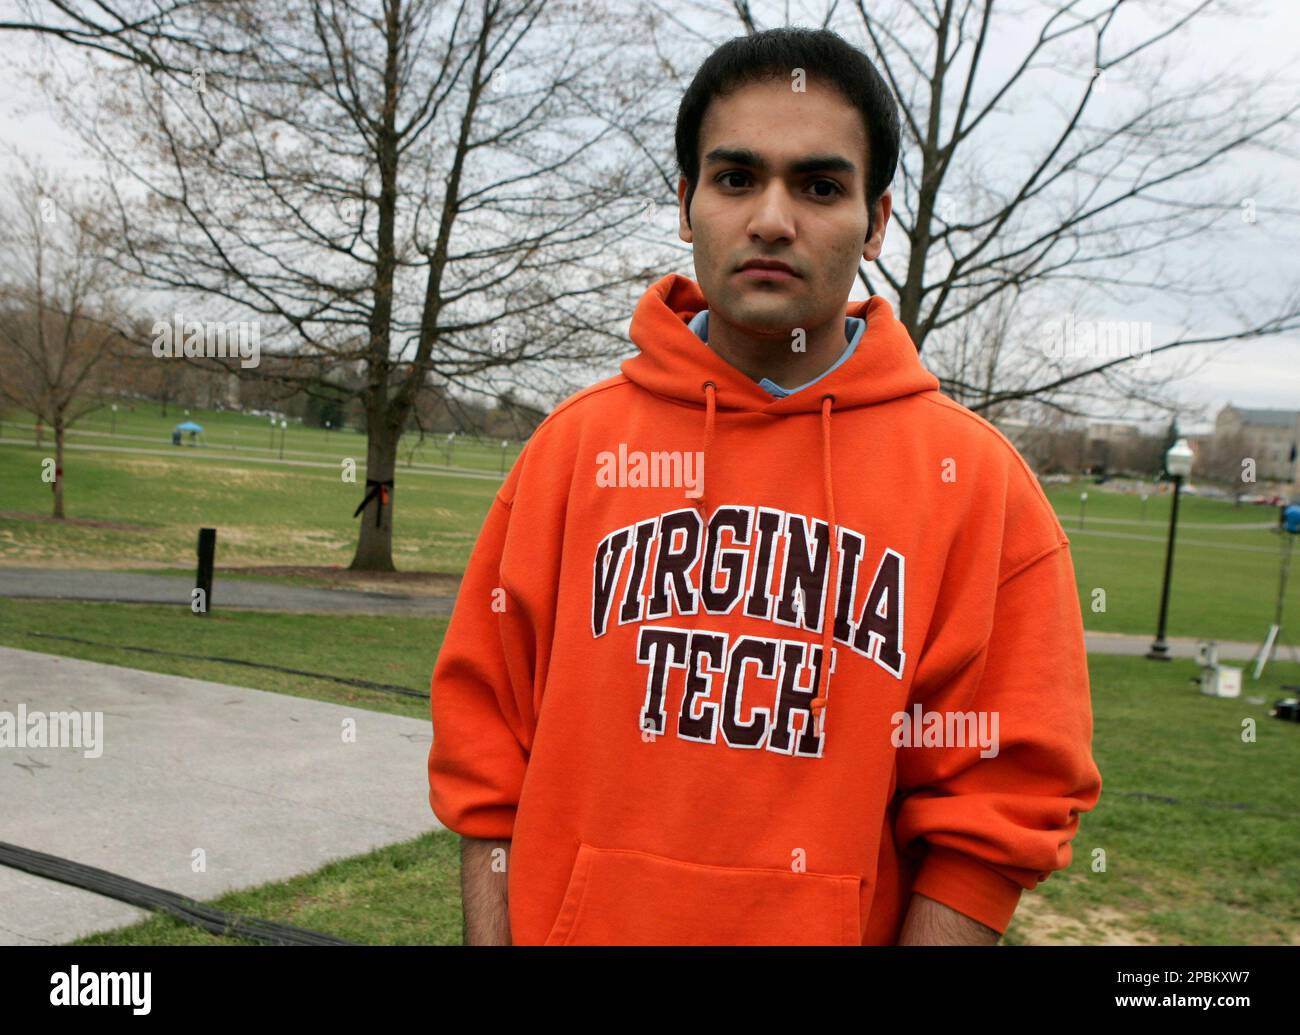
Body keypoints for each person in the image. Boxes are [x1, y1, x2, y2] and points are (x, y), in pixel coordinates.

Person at [427, 27, 1102, 947]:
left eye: (820, 186)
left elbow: (997, 803)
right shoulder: (573, 449)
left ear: (877, 220)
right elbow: (485, 751)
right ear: (685, 201)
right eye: (736, 178)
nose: (773, 219)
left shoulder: (977, 484)